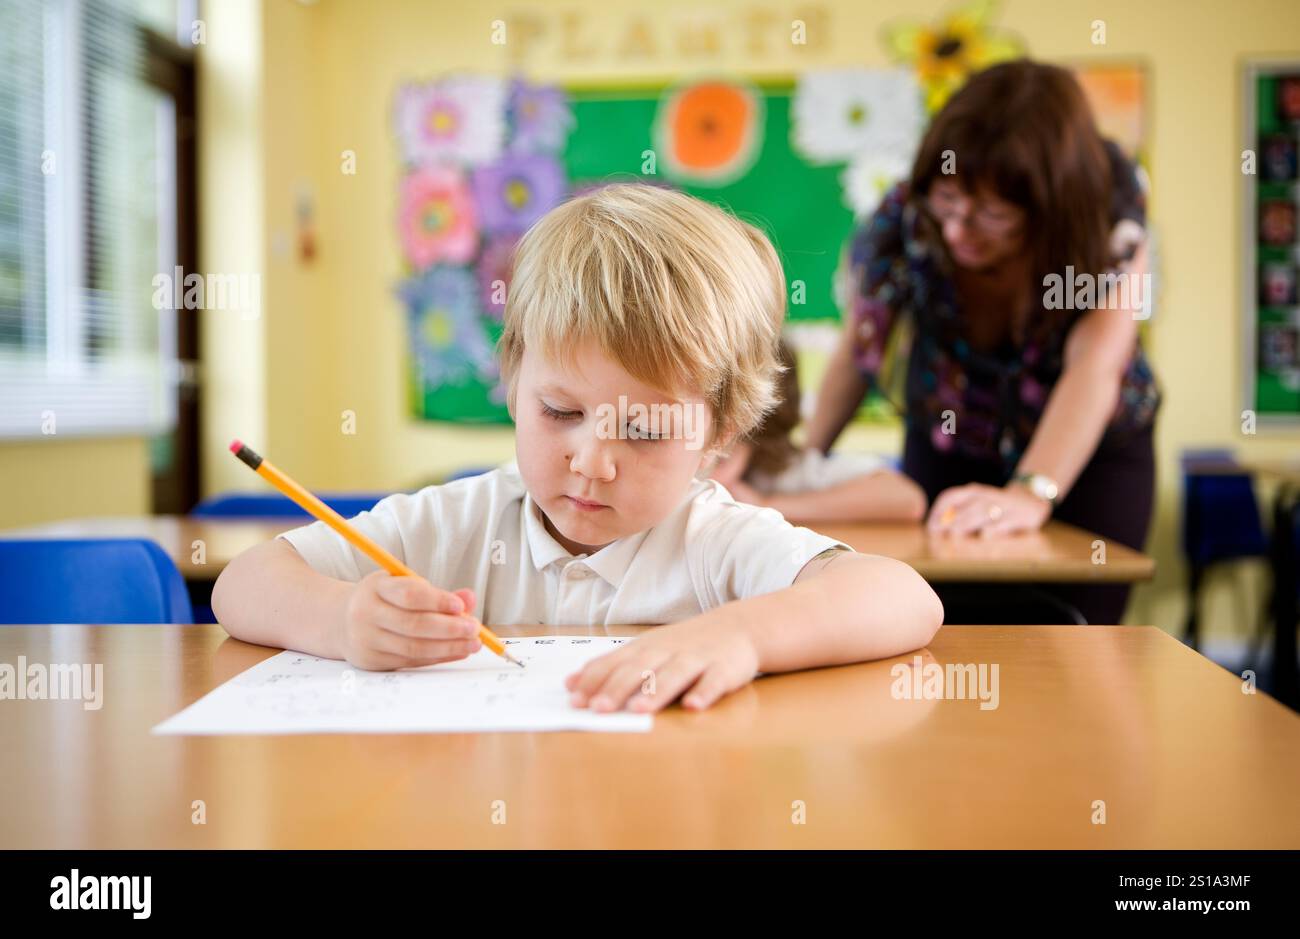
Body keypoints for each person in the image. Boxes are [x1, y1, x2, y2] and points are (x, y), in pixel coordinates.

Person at [213, 183, 943, 713]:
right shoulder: (458, 522)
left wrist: (743, 635)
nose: (592, 460)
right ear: (514, 378)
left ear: (718, 434)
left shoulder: (713, 539)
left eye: (647, 430)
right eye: (561, 411)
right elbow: (241, 583)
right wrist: (342, 619)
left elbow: (905, 599)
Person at [803, 60, 1160, 625]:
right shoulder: (905, 215)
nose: (957, 230)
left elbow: (1096, 362)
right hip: (951, 434)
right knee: (932, 621)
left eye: (992, 213)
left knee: (1077, 642)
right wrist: (802, 461)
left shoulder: (1106, 208)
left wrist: (1029, 494)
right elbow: (860, 345)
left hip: (1089, 446)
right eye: (948, 200)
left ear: (1050, 204)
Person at [710, 338, 927, 522]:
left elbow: (908, 500)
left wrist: (766, 506)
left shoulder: (782, 474)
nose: (707, 464)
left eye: (722, 459)